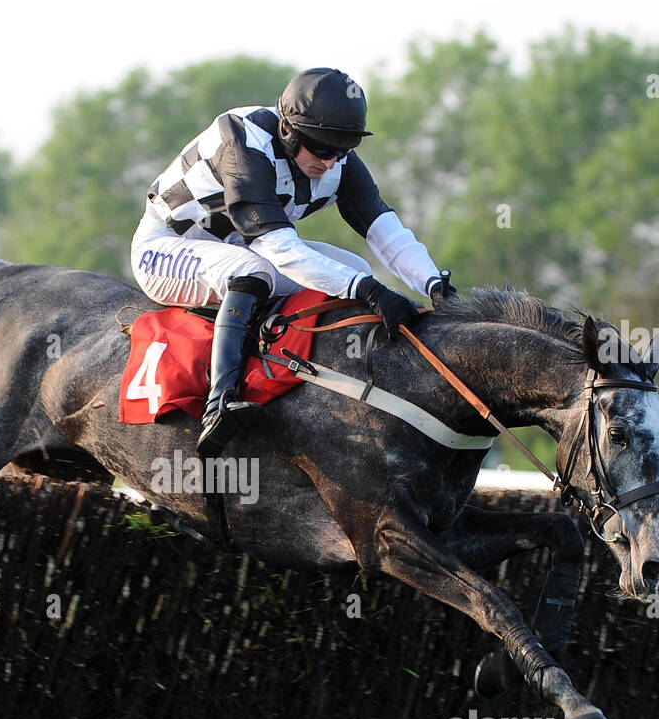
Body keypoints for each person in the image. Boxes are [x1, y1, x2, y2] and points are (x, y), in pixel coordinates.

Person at [130, 66, 455, 458]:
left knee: (356, 267)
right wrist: (369, 292)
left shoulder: (336, 159)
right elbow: (278, 248)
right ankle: (220, 401)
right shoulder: (242, 142)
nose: (333, 162)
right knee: (258, 272)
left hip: (240, 246)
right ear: (289, 132)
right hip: (164, 250)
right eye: (323, 149)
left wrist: (433, 282)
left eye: (343, 150)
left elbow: (384, 229)